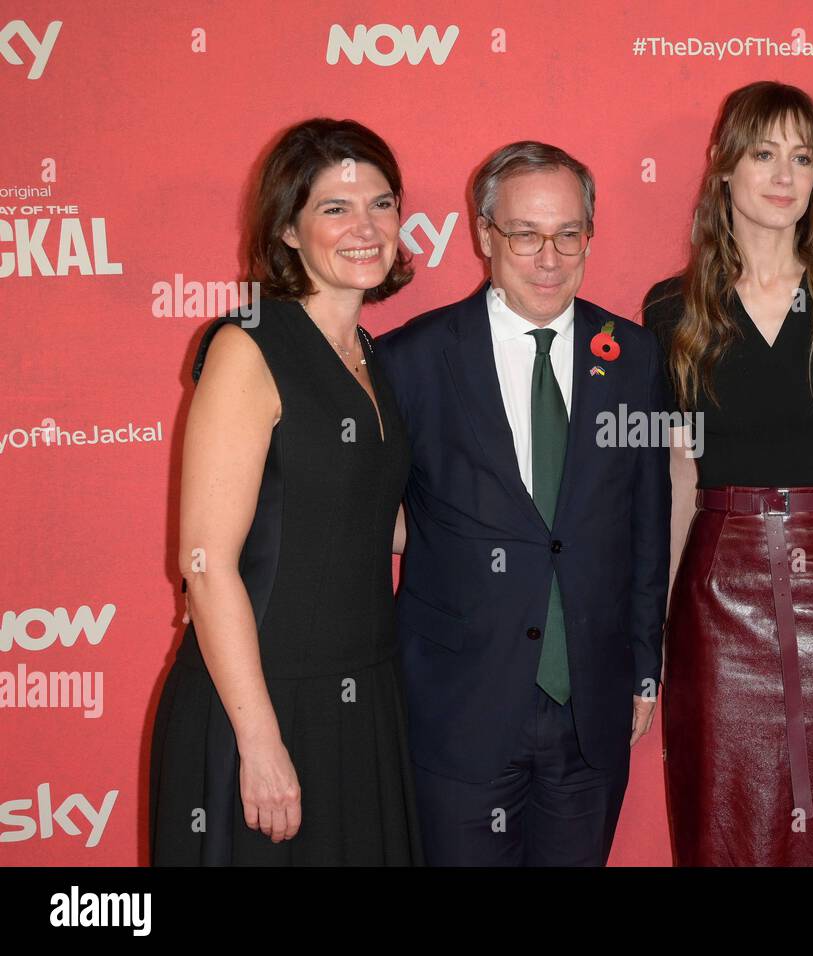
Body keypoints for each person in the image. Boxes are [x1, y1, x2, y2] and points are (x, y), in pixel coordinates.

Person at [376, 141, 670, 867]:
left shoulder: (632, 355)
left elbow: (647, 524)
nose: (550, 257)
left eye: (569, 234)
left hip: (590, 708)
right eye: (526, 234)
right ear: (483, 234)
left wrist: (643, 667)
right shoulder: (411, 359)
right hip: (457, 709)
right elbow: (365, 520)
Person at [642, 81, 813, 866]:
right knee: (722, 816)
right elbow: (679, 480)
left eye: (802, 157)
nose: (785, 175)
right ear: (725, 167)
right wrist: (651, 627)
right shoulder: (672, 310)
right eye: (764, 154)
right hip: (716, 589)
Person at [150, 118, 423, 865]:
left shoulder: (369, 355)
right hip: (263, 702)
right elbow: (206, 566)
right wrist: (260, 743)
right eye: (335, 208)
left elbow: (376, 522)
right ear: (291, 230)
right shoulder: (248, 343)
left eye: (381, 203)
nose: (365, 227)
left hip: (365, 699)